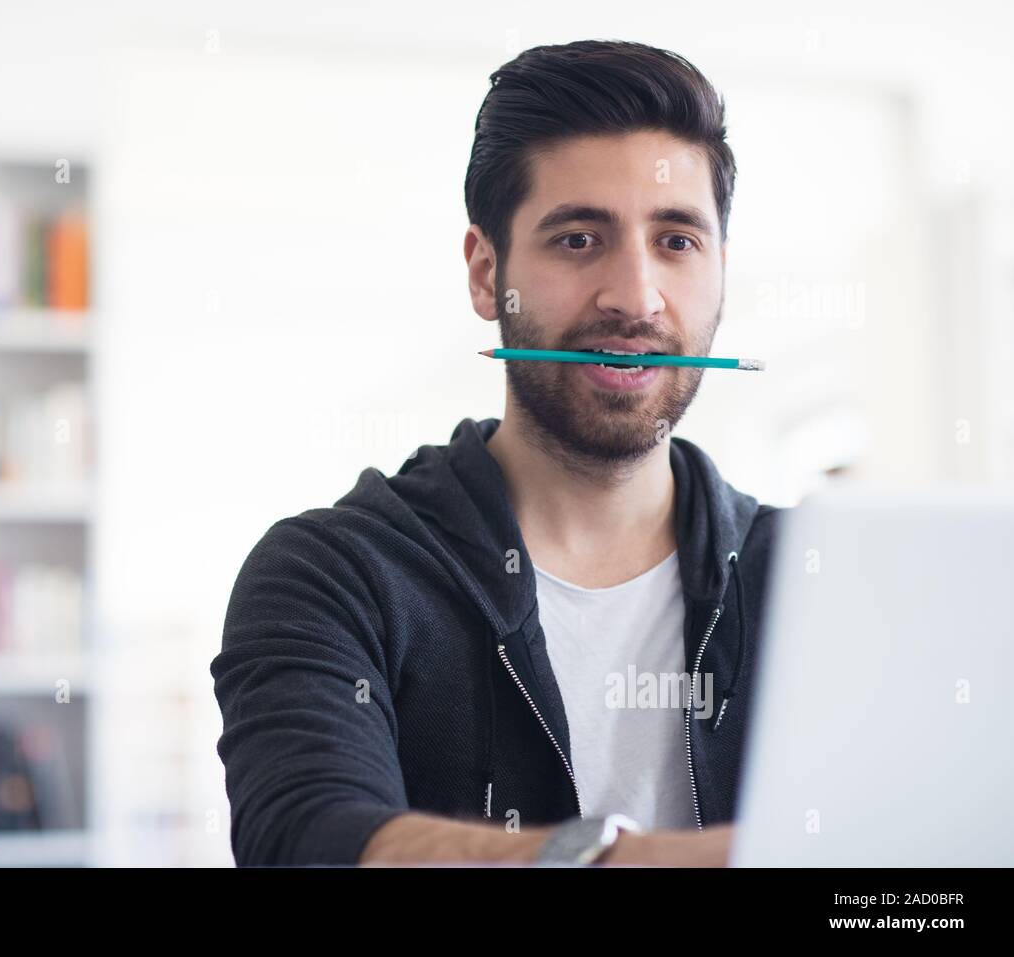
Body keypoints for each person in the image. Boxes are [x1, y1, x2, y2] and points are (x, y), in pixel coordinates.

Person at [211, 39, 782, 867]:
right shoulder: (331, 572)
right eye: (580, 239)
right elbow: (307, 837)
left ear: (720, 273)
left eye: (677, 241)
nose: (635, 297)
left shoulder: (813, 578)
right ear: (487, 274)